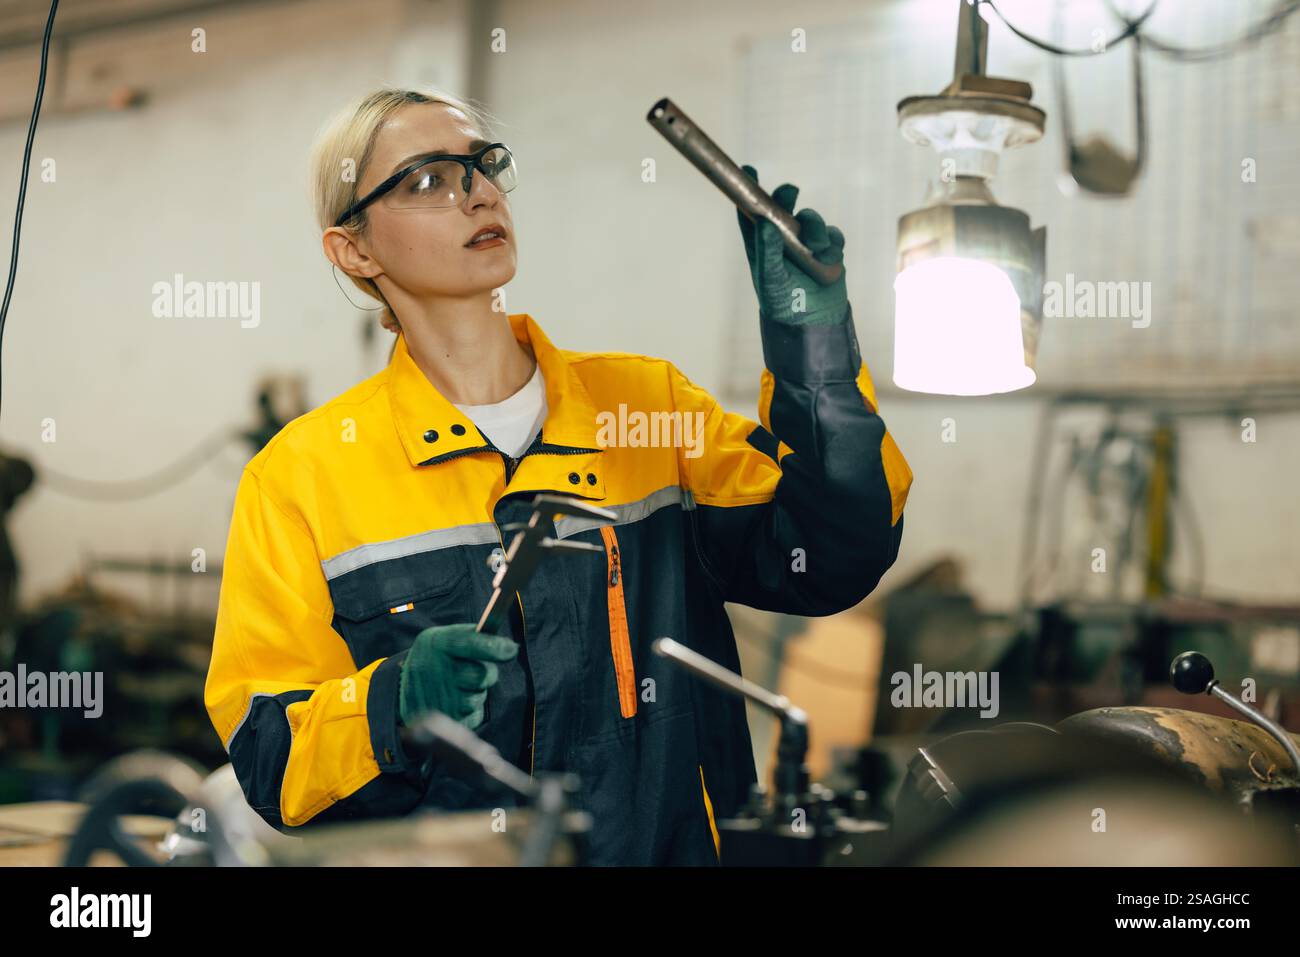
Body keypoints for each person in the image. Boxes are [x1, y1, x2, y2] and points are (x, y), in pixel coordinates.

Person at [203, 86, 913, 865]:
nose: (476, 190)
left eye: (482, 165)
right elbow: (272, 759)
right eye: (427, 179)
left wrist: (814, 352)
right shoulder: (301, 477)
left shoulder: (647, 409)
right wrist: (391, 698)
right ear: (355, 250)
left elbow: (832, 556)